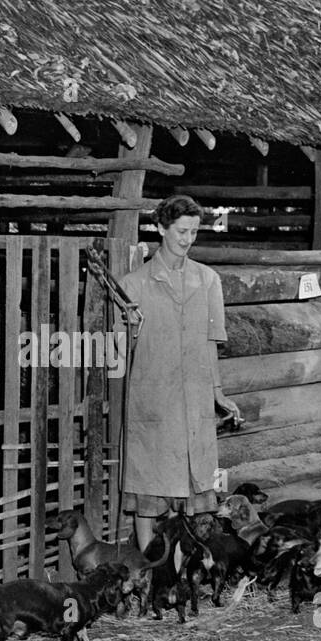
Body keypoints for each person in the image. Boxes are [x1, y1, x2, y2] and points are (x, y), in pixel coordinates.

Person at [118, 195, 241, 552]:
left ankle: (185, 561)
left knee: (194, 483)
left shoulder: (208, 281)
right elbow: (119, 350)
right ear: (160, 228)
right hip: (153, 401)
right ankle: (147, 564)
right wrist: (128, 328)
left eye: (194, 232)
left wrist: (217, 393)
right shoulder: (133, 285)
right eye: (181, 231)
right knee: (148, 489)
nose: (187, 239)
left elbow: (210, 343)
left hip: (194, 399)